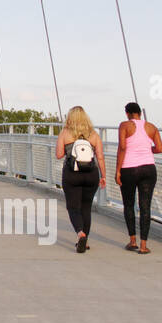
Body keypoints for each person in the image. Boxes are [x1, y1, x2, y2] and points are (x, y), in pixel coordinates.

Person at [55, 106, 106, 253]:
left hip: (72, 174)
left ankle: (80, 233)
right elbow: (100, 157)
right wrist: (103, 176)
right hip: (91, 174)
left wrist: (69, 149)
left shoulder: (65, 133)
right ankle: (86, 240)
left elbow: (59, 155)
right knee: (86, 208)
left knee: (73, 207)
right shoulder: (93, 134)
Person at [115, 101, 162, 254]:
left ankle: (133, 241)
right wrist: (147, 149)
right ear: (140, 114)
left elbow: (122, 147)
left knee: (129, 204)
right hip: (148, 168)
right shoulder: (151, 127)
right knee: (145, 206)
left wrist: (118, 171)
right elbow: (160, 148)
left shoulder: (124, 125)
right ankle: (143, 246)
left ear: (127, 113)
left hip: (129, 168)